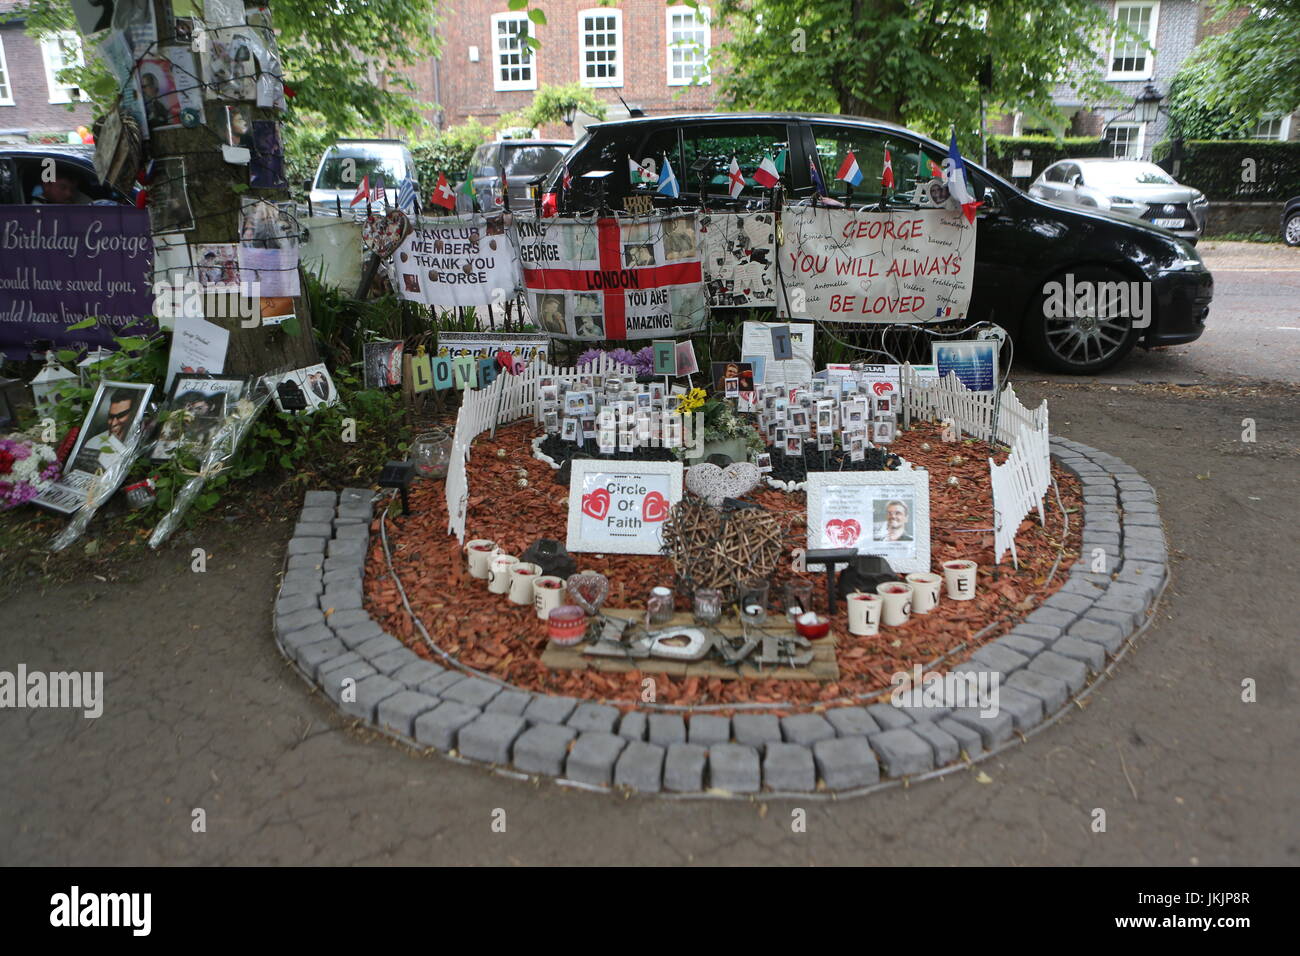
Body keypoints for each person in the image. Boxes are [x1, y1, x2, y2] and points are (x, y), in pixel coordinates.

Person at [79, 389, 139, 471]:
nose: (113, 423)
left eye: (121, 415)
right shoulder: (93, 443)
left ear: (134, 414)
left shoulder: (140, 441)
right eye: (111, 416)